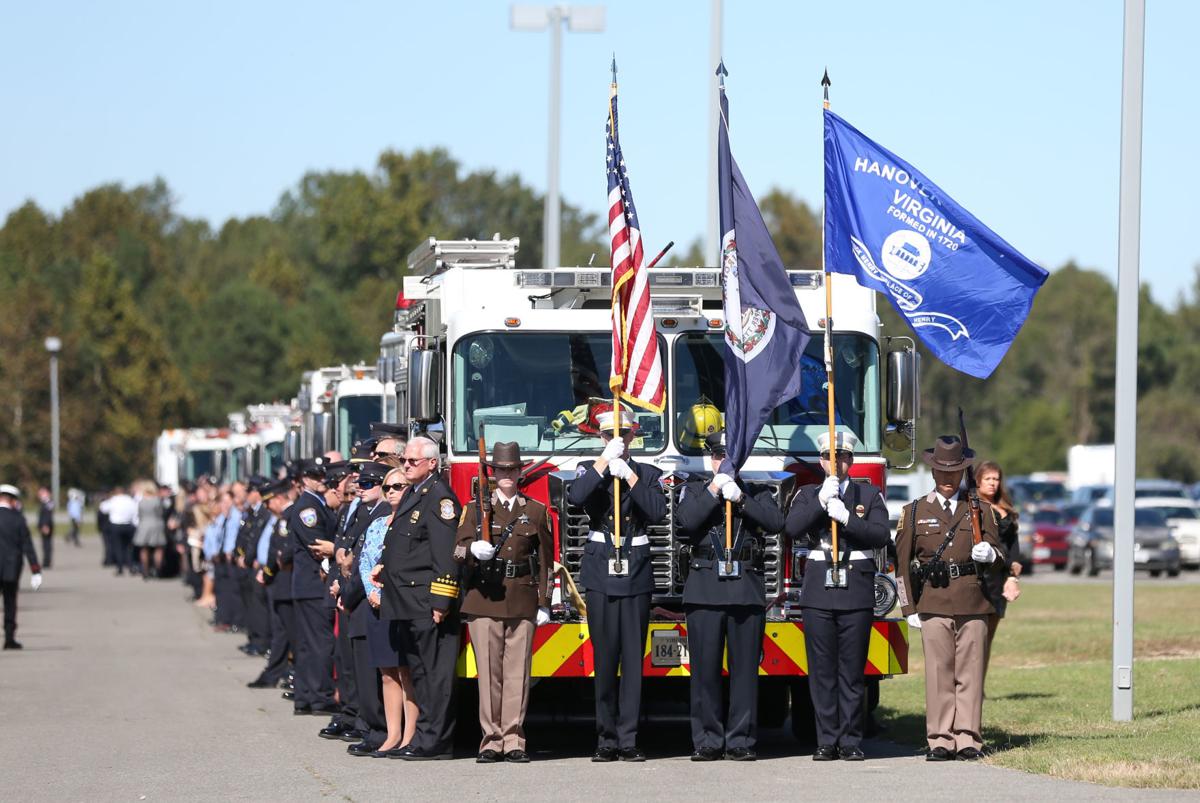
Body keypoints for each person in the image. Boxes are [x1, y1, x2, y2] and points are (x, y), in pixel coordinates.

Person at [675, 430, 784, 762]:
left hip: (745, 590)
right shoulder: (693, 489)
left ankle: (741, 740)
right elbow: (686, 521)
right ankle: (707, 739)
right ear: (711, 459)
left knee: (745, 674)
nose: (723, 461)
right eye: (718, 455)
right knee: (704, 673)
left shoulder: (758, 492)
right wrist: (713, 491)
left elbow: (775, 522)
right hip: (705, 589)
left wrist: (742, 500)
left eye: (729, 456)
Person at [566, 405, 667, 762]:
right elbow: (576, 498)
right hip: (601, 570)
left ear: (633, 435)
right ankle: (606, 738)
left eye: (623, 434)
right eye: (610, 435)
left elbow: (657, 512)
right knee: (605, 658)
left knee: (633, 662)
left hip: (636, 571)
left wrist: (630, 477)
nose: (618, 439)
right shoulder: (589, 470)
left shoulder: (648, 473)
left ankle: (629, 738)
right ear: (601, 437)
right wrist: (603, 464)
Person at [895, 435, 1005, 761]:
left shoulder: (981, 510)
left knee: (970, 673)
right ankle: (940, 739)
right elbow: (901, 565)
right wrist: (908, 607)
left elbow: (1000, 556)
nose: (947, 478)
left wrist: (991, 554)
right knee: (938, 673)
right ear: (933, 472)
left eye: (954, 472)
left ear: (962, 473)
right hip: (933, 602)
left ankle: (968, 738)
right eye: (942, 471)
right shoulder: (914, 512)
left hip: (973, 601)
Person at [784, 431, 891, 761]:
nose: (837, 462)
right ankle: (826, 740)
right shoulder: (807, 494)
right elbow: (791, 528)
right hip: (819, 590)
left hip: (855, 590)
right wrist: (820, 503)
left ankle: (850, 740)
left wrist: (847, 518)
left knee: (852, 671)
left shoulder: (868, 494)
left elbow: (880, 535)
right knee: (822, 673)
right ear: (821, 461)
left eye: (842, 456)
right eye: (830, 456)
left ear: (851, 460)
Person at [454, 442, 553, 764]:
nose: (507, 474)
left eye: (512, 469)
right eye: (501, 469)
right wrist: (472, 549)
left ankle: (513, 739)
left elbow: (546, 561)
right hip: (484, 599)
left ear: (521, 472)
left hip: (522, 598)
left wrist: (544, 601)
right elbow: (456, 550)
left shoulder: (535, 510)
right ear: (493, 473)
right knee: (489, 675)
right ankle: (491, 739)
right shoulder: (474, 508)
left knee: (517, 674)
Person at [370, 435, 462, 760]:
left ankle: (436, 742)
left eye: (412, 461)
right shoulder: (415, 491)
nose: (406, 465)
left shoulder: (439, 497)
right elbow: (409, 545)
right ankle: (422, 736)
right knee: (420, 673)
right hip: (408, 600)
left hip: (427, 601)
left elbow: (446, 554)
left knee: (435, 675)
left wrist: (441, 601)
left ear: (432, 463)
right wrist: (386, 566)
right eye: (404, 460)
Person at [360, 466, 420, 757]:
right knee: (387, 673)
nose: (392, 492)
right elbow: (364, 561)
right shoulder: (376, 524)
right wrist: (371, 593)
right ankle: (392, 734)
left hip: (402, 604)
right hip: (376, 604)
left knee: (406, 671)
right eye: (388, 487)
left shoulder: (415, 521)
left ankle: (410, 735)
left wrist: (388, 595)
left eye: (399, 486)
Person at [337, 461, 395, 756]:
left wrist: (347, 596)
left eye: (369, 484)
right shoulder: (370, 515)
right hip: (359, 601)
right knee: (363, 673)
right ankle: (371, 728)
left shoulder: (383, 514)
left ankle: (377, 731)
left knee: (372, 676)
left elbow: (366, 567)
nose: (360, 488)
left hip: (367, 602)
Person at [290, 457, 339, 716]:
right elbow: (318, 546)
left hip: (308, 584)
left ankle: (306, 697)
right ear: (304, 479)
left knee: (309, 643)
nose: (321, 479)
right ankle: (319, 696)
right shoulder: (308, 508)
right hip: (313, 583)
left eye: (322, 475)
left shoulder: (317, 503)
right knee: (319, 642)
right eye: (315, 476)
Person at [976, 460, 1022, 681]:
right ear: (978, 481)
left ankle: (979, 686)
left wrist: (1014, 571)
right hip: (980, 577)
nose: (993, 483)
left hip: (1000, 578)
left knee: (988, 638)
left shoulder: (1005, 508)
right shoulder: (973, 507)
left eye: (996, 479)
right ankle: (967, 686)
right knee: (974, 636)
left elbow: (1013, 544)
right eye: (988, 479)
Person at [1, 484, 43, 649]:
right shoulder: (17, 519)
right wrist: (35, 570)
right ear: (12, 501)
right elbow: (27, 546)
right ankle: (9, 638)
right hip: (11, 568)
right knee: (10, 602)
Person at [133, 479, 167, 579]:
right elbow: (160, 513)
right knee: (158, 548)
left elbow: (139, 514)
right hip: (156, 524)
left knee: (144, 549)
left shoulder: (141, 501)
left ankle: (145, 570)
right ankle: (157, 570)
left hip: (144, 525)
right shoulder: (157, 501)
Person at [105, 487, 138, 576]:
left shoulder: (113, 500)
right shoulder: (130, 500)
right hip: (128, 525)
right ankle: (131, 566)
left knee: (118, 547)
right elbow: (135, 512)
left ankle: (120, 567)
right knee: (129, 547)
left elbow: (103, 508)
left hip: (116, 525)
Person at [36, 487, 54, 570]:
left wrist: (45, 525)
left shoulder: (48, 503)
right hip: (44, 526)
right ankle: (45, 561)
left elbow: (47, 515)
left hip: (46, 526)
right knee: (44, 545)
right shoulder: (44, 503)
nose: (40, 495)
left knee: (47, 545)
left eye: (42, 493)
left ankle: (46, 562)